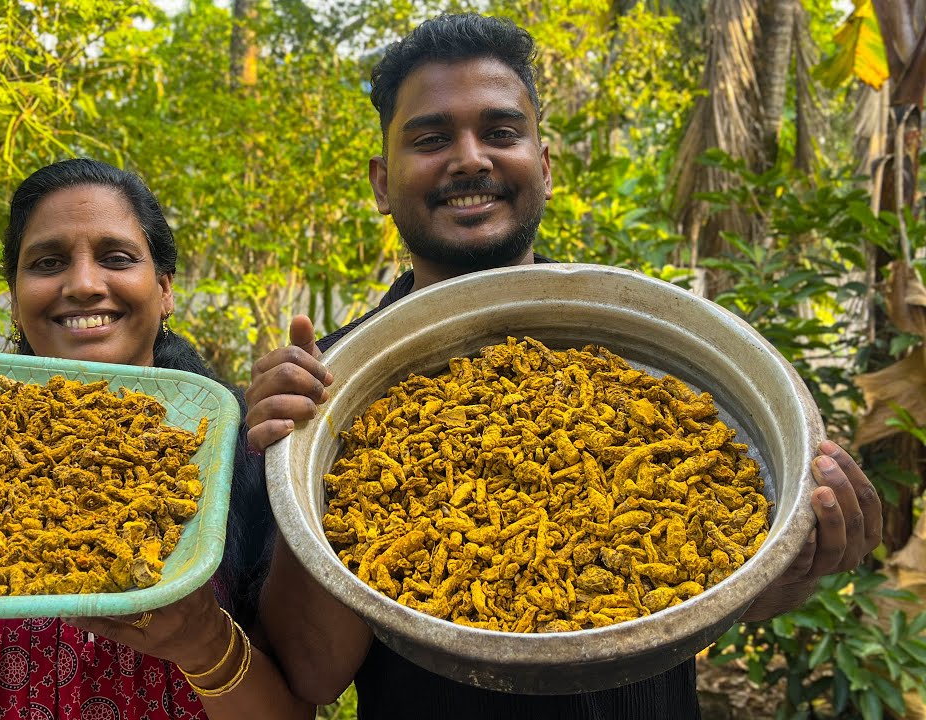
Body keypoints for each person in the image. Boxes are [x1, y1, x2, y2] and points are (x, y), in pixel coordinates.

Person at [244, 14, 883, 719]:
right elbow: (311, 677)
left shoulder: (634, 353)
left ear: (545, 166)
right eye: (430, 140)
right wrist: (297, 465)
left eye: (500, 132)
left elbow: (721, 587)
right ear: (382, 182)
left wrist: (788, 566)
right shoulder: (327, 387)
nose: (470, 159)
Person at [0, 159, 313, 720]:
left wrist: (208, 647)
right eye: (48, 263)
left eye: (116, 258)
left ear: (165, 288)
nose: (84, 284)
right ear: (15, 295)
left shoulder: (234, 453)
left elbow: (302, 699)